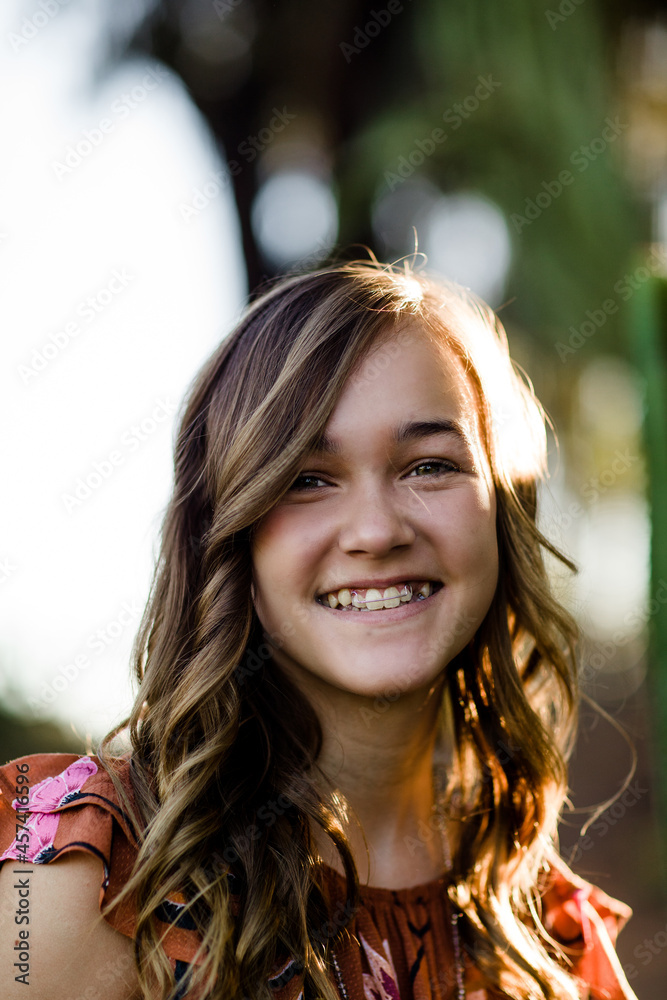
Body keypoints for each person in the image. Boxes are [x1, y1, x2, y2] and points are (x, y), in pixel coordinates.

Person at [0, 260, 638, 1000]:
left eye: (429, 466)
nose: (374, 530)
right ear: (228, 533)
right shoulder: (87, 879)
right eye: (306, 479)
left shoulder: (547, 940)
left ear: (500, 509)